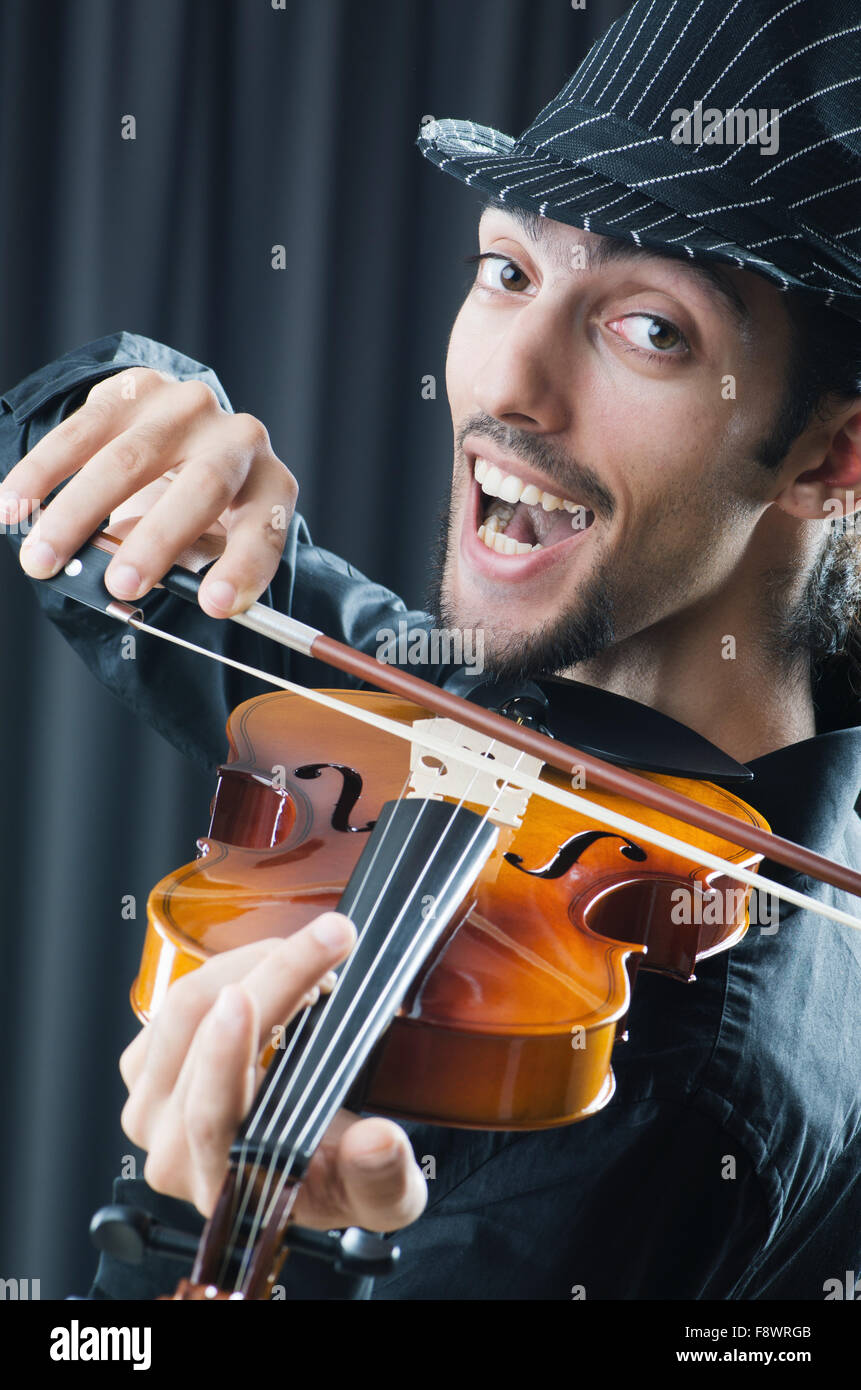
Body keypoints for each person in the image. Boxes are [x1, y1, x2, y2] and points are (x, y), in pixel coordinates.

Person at [1, 0, 859, 1300]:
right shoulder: (498, 697)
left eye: (649, 329)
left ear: (825, 457)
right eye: (509, 269)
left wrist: (173, 1254)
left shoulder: (674, 1083)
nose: (508, 381)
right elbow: (128, 573)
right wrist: (116, 408)